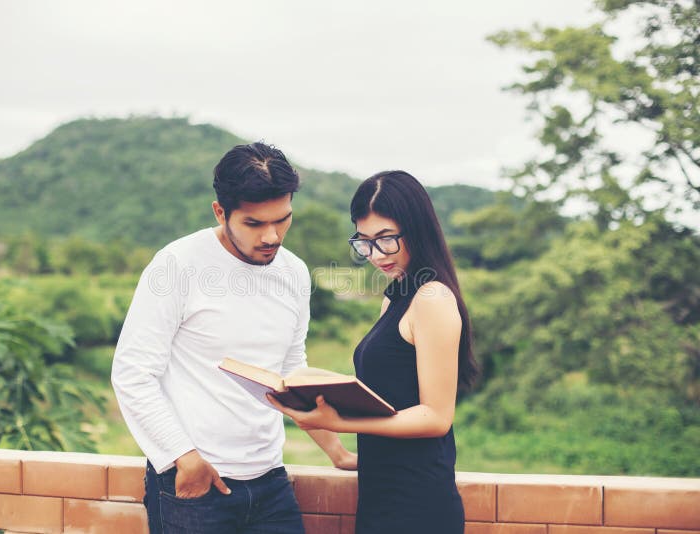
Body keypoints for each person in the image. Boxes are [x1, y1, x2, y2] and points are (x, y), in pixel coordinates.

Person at [111, 142, 356, 534]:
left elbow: (292, 371)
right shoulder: (177, 265)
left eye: (283, 220)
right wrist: (184, 457)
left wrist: (336, 451)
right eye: (254, 224)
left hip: (270, 479)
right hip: (195, 481)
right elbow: (132, 373)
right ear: (220, 212)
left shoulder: (293, 272)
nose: (272, 237)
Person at [269, 170, 479, 533]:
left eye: (386, 239)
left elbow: (435, 417)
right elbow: (387, 391)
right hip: (381, 493)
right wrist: (308, 381)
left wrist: (340, 423)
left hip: (418, 503)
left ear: (416, 228)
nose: (375, 254)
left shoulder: (432, 298)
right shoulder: (395, 297)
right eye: (364, 242)